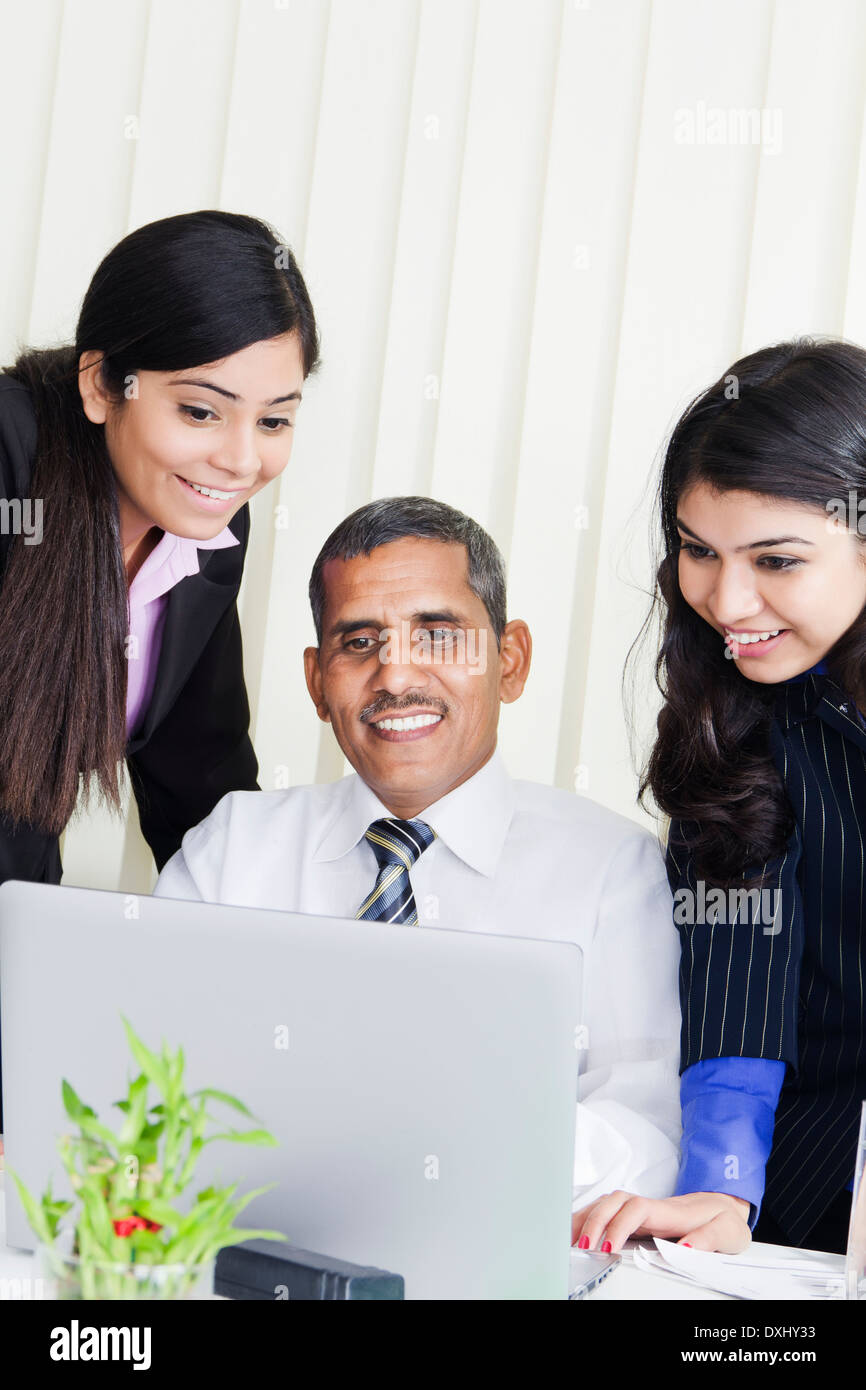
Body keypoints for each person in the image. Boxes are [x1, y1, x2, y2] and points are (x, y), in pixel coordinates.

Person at [154, 496, 683, 1219]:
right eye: (359, 642)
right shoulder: (231, 849)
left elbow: (647, 1129)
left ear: (511, 661)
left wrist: (453, 1142)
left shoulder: (611, 870)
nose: (396, 677)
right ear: (317, 682)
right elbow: (150, 1080)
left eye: (438, 636)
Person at [572, 337, 866, 1257]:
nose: (728, 602)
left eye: (776, 561)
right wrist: (720, 1185)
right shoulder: (749, 706)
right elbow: (740, 948)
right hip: (802, 1180)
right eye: (699, 551)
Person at [0, 208, 318, 887]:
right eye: (201, 411)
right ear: (101, 385)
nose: (239, 460)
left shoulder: (206, 531)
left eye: (273, 420)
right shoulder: (9, 457)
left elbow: (202, 782)